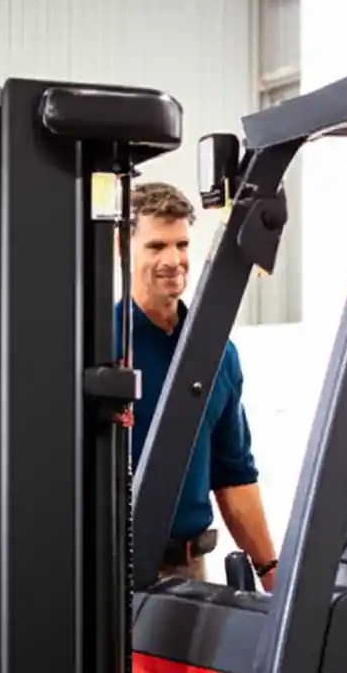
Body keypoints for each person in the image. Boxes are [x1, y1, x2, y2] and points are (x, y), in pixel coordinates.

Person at [121, 181, 279, 590]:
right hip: (108, 570)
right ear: (123, 246)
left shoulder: (217, 354)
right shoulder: (92, 346)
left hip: (188, 572)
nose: (174, 260)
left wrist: (271, 571)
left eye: (182, 245)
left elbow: (233, 473)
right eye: (157, 246)